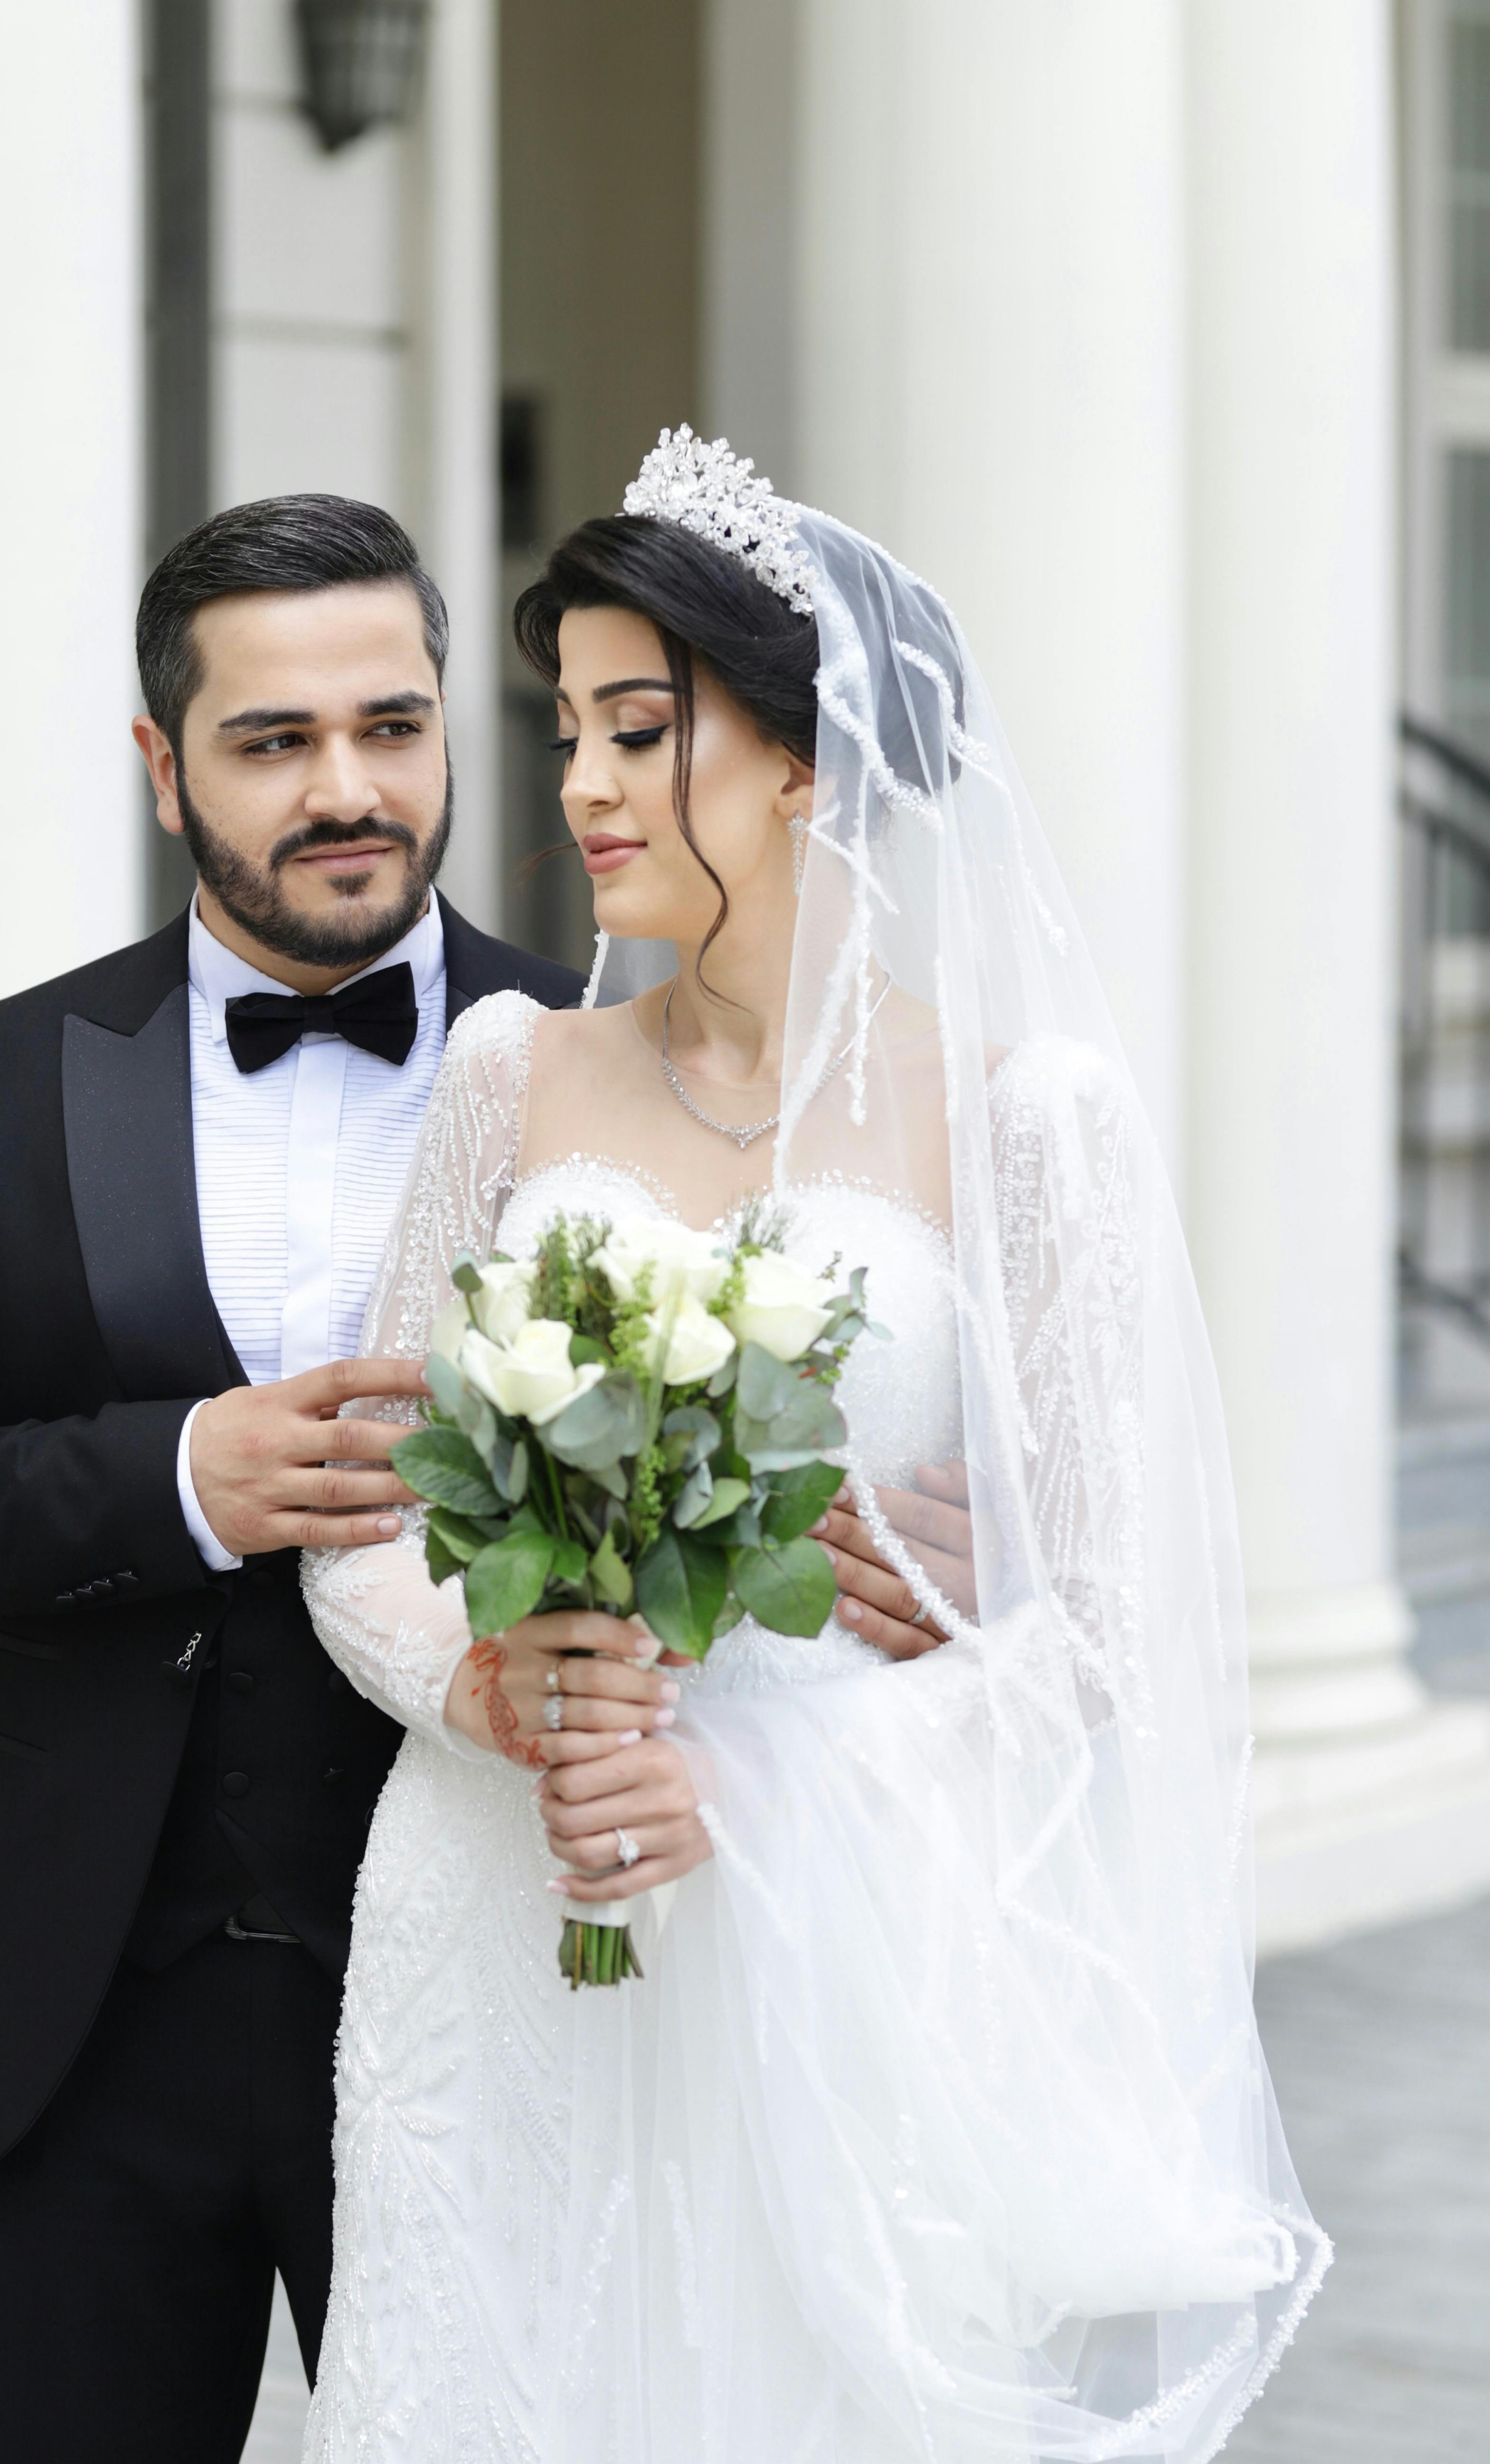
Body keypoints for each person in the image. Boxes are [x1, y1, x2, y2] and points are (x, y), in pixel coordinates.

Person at [298, 434, 1328, 2463]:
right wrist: (498, 1685)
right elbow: (366, 1514)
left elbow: (1104, 1633)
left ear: (800, 756)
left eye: (636, 728)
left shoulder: (1027, 1125)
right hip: (488, 1903)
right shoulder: (510, 1077)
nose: (578, 786)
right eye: (567, 729)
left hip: (821, 1952)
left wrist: (779, 1776)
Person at [0, 495, 596, 2461]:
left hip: (492, 2000)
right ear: (163, 768)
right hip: (70, 2031)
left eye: (391, 726)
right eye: (272, 739)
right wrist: (179, 1477)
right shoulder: (2, 1076)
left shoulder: (596, 1061)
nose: (348, 788)